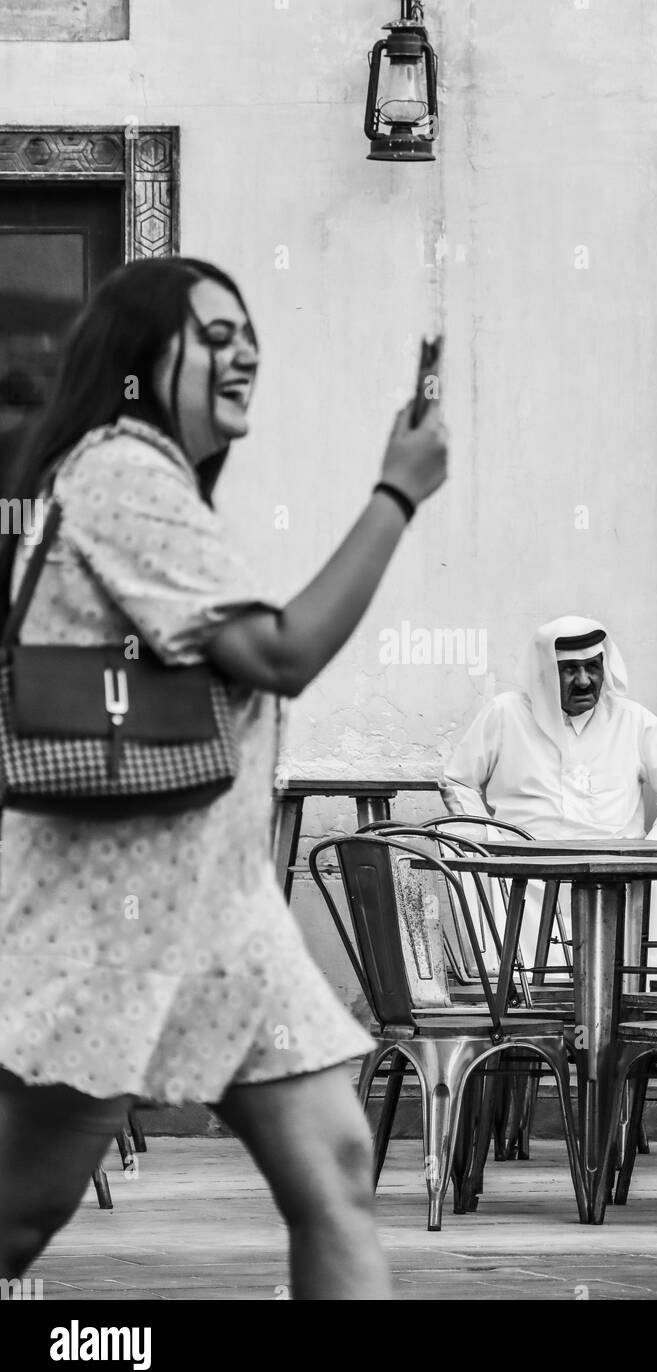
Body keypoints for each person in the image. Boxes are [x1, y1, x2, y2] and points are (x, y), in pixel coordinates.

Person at [0, 256, 447, 1300]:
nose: (243, 350)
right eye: (213, 333)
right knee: (15, 1216)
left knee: (335, 1165)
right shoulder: (119, 473)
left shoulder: (161, 489)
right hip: (105, 926)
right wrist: (396, 492)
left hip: (222, 920)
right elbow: (278, 652)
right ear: (139, 359)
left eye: (250, 332)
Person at [439, 615, 657, 966]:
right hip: (527, 877)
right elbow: (457, 781)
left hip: (617, 876)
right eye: (569, 670)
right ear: (547, 672)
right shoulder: (507, 714)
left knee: (628, 957)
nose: (584, 681)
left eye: (593, 667)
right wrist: (487, 840)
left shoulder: (632, 720)